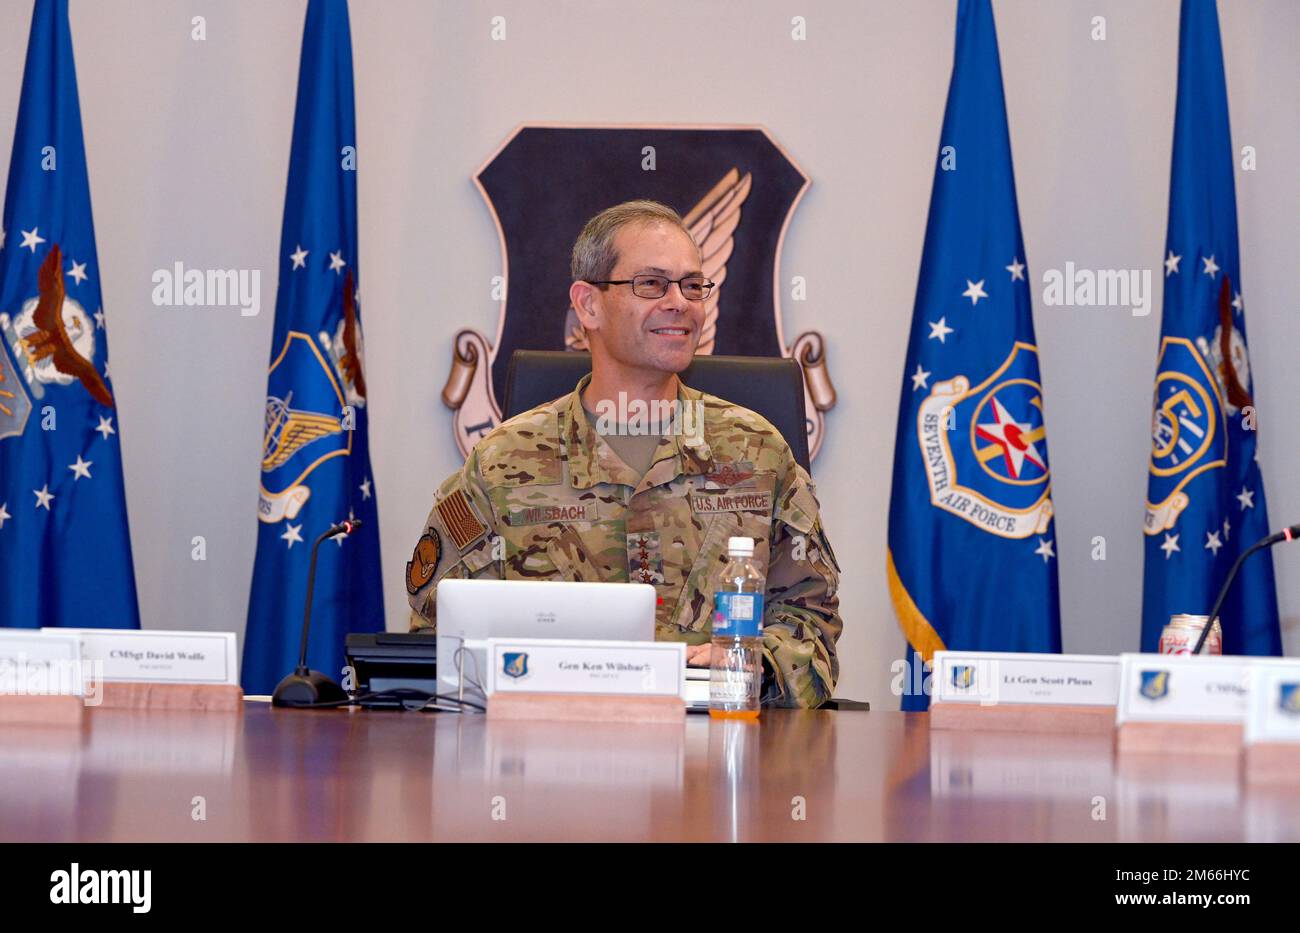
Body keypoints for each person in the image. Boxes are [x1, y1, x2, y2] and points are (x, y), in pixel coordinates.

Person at [406, 200, 842, 708]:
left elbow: (813, 623)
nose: (681, 302)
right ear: (588, 305)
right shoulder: (501, 464)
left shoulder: (758, 454)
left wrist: (754, 664)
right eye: (652, 284)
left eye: (693, 285)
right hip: (544, 765)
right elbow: (433, 639)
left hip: (716, 761)